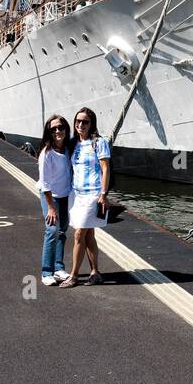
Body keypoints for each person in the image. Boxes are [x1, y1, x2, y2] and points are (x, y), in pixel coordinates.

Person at [59, 107, 121, 288]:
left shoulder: (98, 142)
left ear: (92, 123)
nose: (81, 125)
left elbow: (105, 169)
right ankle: (95, 273)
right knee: (89, 235)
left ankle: (74, 275)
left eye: (85, 122)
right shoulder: (73, 143)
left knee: (79, 234)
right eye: (78, 121)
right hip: (76, 195)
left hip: (93, 194)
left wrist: (103, 194)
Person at [37, 114, 73, 287]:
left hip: (66, 195)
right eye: (54, 129)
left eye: (61, 127)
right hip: (50, 196)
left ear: (66, 129)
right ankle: (46, 271)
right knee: (52, 230)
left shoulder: (67, 149)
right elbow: (44, 183)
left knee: (63, 230)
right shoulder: (47, 153)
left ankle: (59, 268)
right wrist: (51, 207)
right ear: (49, 132)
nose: (58, 131)